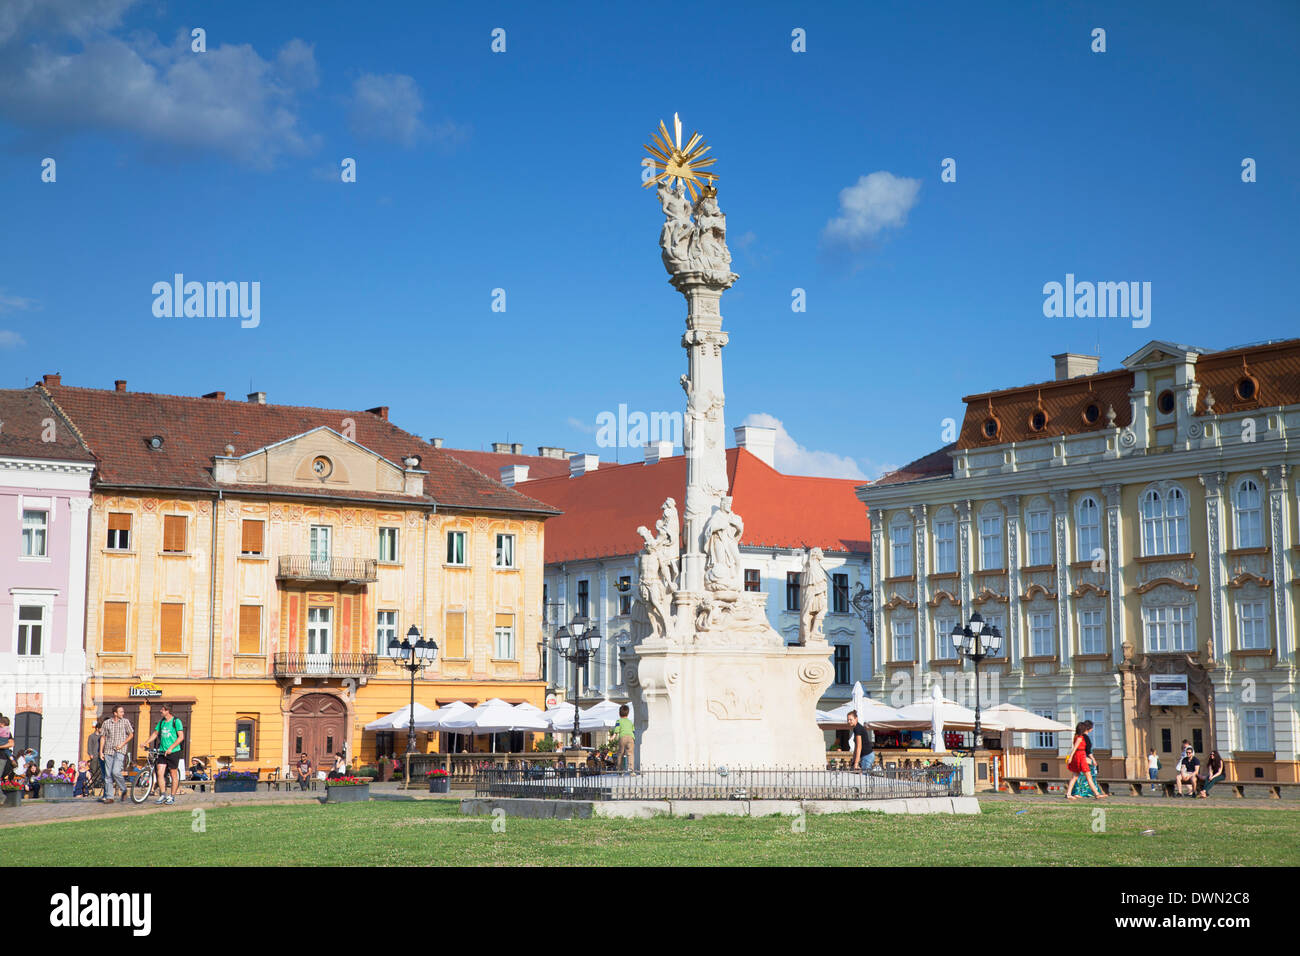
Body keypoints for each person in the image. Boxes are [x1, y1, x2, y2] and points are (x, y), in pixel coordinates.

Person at [145, 703, 185, 806]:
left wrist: (171, 748)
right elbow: (155, 733)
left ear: (168, 711)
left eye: (162, 710)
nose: (160, 711)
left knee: (173, 774)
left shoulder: (176, 721)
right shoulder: (162, 722)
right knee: (160, 772)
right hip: (162, 751)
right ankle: (163, 794)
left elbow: (181, 737)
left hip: (173, 751)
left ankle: (172, 796)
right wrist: (146, 742)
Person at [99, 704, 134, 804]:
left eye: (123, 712)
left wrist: (122, 744)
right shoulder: (106, 723)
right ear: (115, 713)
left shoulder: (125, 722)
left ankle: (124, 789)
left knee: (115, 772)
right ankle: (110, 797)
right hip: (108, 751)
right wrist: (101, 752)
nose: (123, 713)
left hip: (120, 751)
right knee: (108, 775)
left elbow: (131, 734)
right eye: (121, 712)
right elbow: (103, 737)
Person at [611, 705, 635, 772]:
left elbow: (617, 730)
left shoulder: (619, 721)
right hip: (631, 737)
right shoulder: (630, 722)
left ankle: (620, 770)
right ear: (628, 713)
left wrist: (613, 736)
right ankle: (631, 769)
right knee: (630, 753)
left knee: (620, 754)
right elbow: (633, 730)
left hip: (623, 738)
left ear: (619, 713)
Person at [86, 719, 104, 797]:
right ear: (97, 728)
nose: (101, 730)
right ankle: (93, 784)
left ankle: (98, 783)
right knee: (93, 769)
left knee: (100, 769)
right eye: (100, 728)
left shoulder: (102, 736)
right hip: (94, 755)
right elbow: (89, 745)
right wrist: (90, 754)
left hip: (100, 755)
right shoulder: (91, 736)